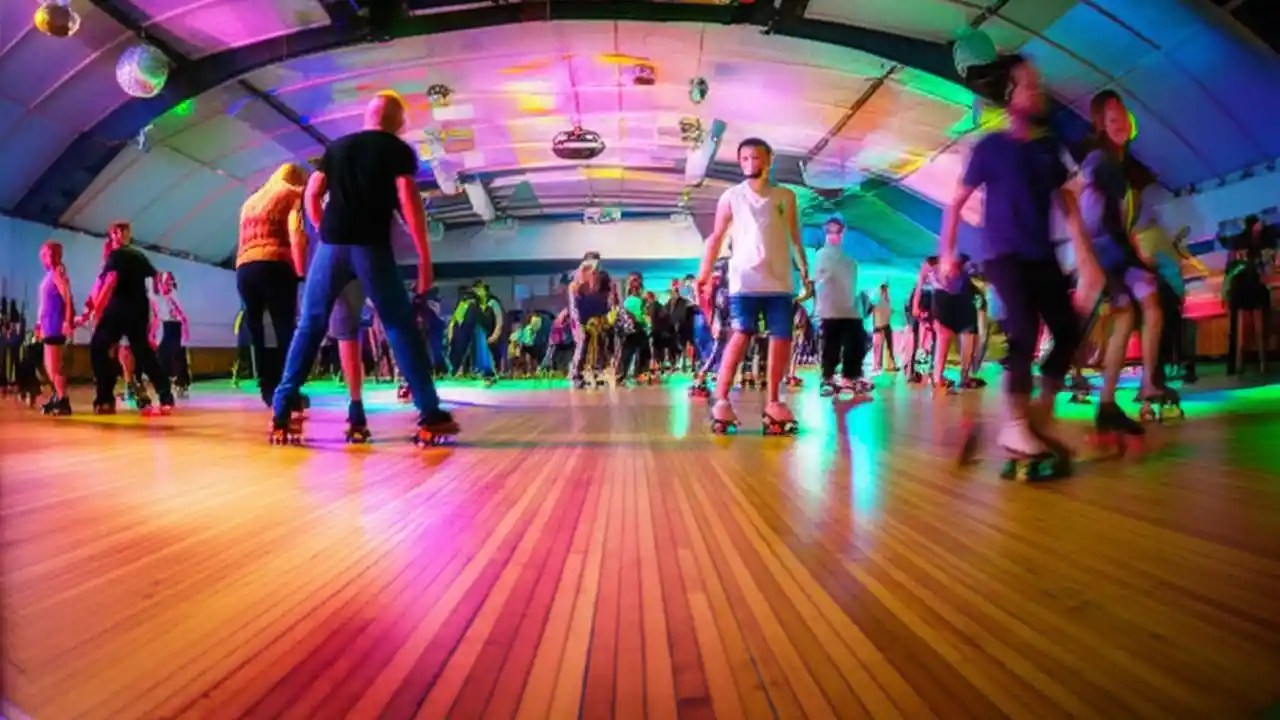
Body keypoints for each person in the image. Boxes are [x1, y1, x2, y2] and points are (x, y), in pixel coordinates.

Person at [937, 54, 1103, 466]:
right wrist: (946, 254)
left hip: (1042, 255)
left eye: (1039, 83)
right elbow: (955, 203)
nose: (1038, 90)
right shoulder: (990, 148)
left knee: (1067, 332)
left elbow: (1068, 204)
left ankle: (1038, 420)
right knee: (1024, 332)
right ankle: (1014, 426)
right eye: (1029, 84)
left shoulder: (1049, 149)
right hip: (1003, 255)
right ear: (1010, 96)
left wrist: (1087, 259)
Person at [270, 90, 457, 445]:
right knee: (399, 325)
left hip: (330, 248)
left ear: (367, 117)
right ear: (398, 123)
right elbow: (407, 195)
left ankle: (281, 412)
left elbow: (312, 192)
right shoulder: (396, 150)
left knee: (309, 325)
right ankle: (430, 413)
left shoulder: (337, 147)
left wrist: (325, 226)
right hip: (370, 247)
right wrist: (424, 256)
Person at [696, 137, 811, 434]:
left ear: (769, 160)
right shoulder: (731, 197)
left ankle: (774, 400)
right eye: (744, 158)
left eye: (756, 158)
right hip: (744, 280)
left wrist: (806, 273)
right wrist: (704, 273)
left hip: (779, 280)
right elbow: (716, 237)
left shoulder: (785, 196)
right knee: (741, 334)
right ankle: (721, 399)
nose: (750, 163)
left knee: (782, 337)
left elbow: (795, 237)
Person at [1076, 90, 1170, 432]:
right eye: (1112, 119)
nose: (1121, 124)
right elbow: (1080, 198)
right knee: (1128, 314)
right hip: (1105, 252)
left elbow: (1119, 218)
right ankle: (1107, 400)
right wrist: (1086, 255)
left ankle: (1137, 388)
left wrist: (1137, 253)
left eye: (1123, 117)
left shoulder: (1115, 164)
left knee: (1148, 306)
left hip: (1116, 249)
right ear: (1102, 125)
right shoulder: (1101, 161)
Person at [236, 162, 308, 407]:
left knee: (258, 331)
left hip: (244, 268)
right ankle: (289, 391)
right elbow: (295, 233)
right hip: (274, 263)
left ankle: (267, 388)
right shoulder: (291, 194)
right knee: (285, 330)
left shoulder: (250, 201)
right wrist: (300, 271)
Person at [86, 222, 175, 414]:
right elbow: (156, 277)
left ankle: (105, 399)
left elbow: (110, 282)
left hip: (119, 308)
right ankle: (166, 396)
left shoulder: (117, 255)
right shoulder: (138, 255)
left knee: (99, 348)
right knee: (143, 352)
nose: (119, 234)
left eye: (121, 231)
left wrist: (97, 310)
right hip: (138, 309)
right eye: (116, 231)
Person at [813, 217, 870, 396]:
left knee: (854, 342)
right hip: (831, 308)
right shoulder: (822, 254)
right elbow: (820, 280)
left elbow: (856, 282)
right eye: (830, 231)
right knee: (832, 344)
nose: (834, 235)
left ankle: (849, 376)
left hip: (849, 308)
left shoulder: (849, 258)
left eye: (837, 231)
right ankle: (829, 377)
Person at [35, 241, 74, 415]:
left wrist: (67, 320)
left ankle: (62, 399)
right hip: (47, 326)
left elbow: (67, 296)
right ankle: (58, 397)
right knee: (49, 366)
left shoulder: (58, 272)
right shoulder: (49, 275)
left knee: (54, 367)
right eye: (44, 255)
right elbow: (44, 303)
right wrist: (38, 324)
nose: (46, 258)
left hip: (55, 325)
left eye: (49, 254)